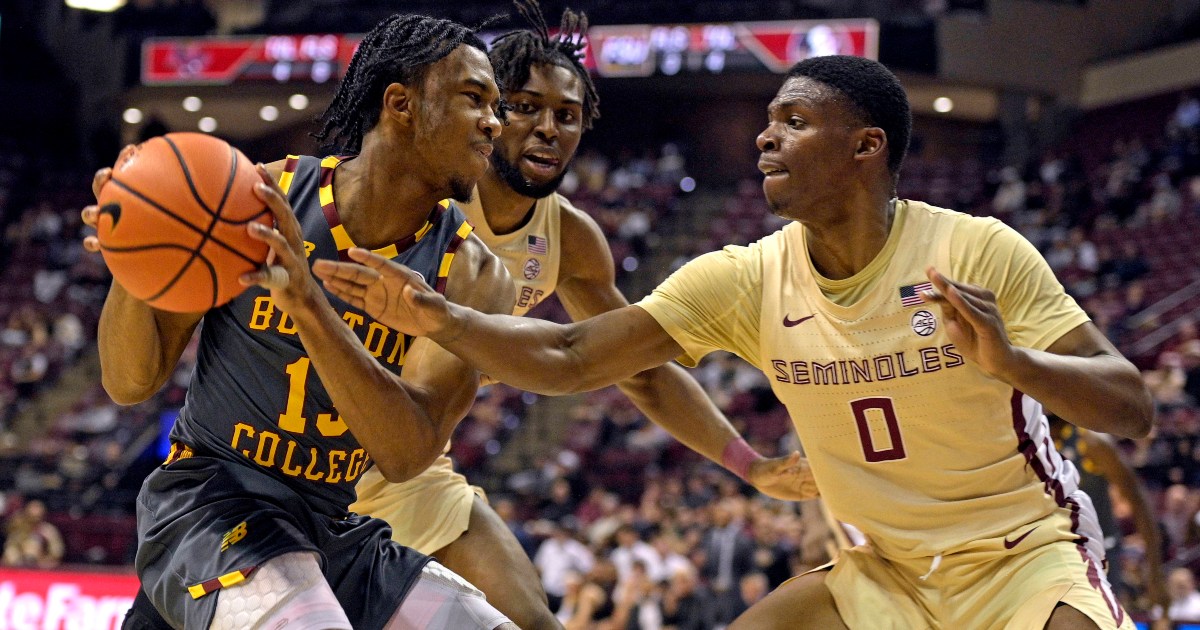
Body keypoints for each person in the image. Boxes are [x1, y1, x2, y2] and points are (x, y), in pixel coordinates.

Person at [314, 54, 1156, 629]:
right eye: (767, 121)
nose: (763, 137)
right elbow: (575, 358)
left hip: (1021, 558)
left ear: (866, 148)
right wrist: (442, 317)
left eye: (792, 121)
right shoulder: (746, 276)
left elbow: (1133, 407)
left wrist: (1015, 363)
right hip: (881, 571)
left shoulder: (975, 249)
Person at [349, 2, 817, 628]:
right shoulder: (419, 196)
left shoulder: (569, 235)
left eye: (566, 115)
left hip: (415, 470)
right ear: (487, 113)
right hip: (308, 451)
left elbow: (641, 371)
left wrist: (748, 464)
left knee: (531, 620)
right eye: (526, 106)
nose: (548, 128)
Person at [85, 14, 519, 630]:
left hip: (332, 528)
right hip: (209, 499)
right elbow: (130, 381)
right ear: (400, 104)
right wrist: (136, 256)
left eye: (497, 105)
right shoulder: (257, 201)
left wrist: (309, 304)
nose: (495, 122)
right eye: (475, 98)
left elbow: (405, 453)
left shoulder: (474, 275)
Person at [1051, 416, 1170, 625]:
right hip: (1052, 553)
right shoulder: (1029, 440)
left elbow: (1138, 500)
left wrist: (1155, 573)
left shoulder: (1091, 442)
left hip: (1098, 555)